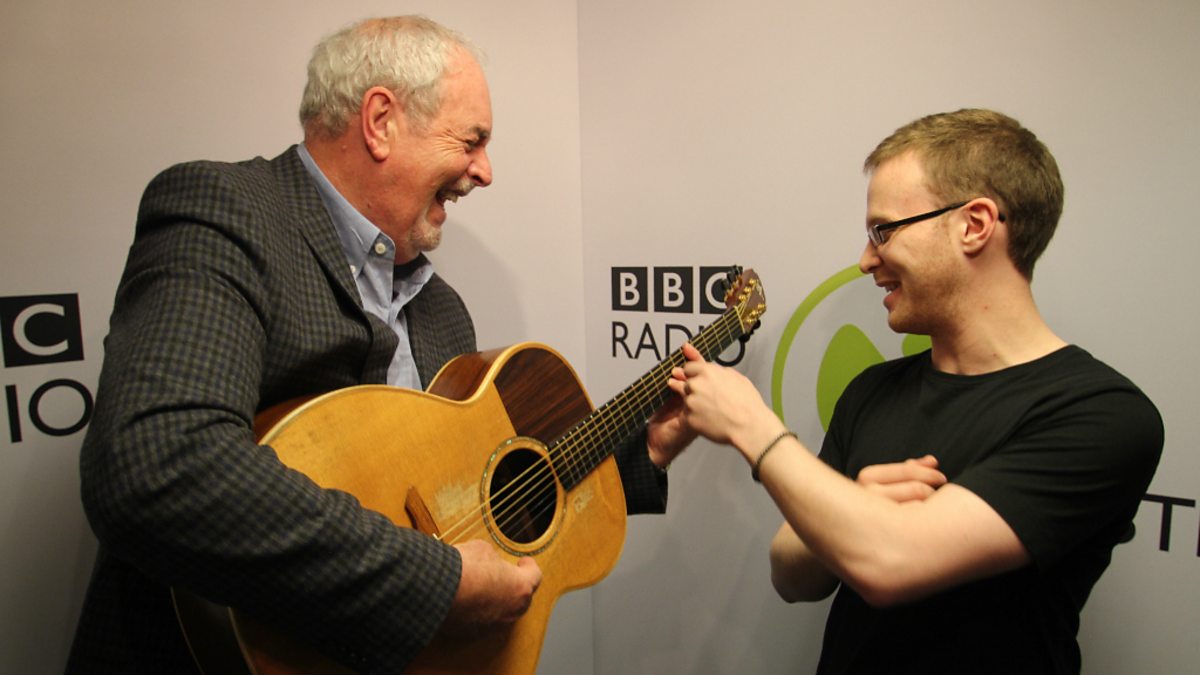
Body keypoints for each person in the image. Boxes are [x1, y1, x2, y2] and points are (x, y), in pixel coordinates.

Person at [68, 16, 690, 674]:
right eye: (472, 140)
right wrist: (441, 581)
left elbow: (468, 512)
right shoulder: (227, 213)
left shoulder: (442, 311)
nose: (485, 171)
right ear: (381, 120)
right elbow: (157, 463)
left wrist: (637, 457)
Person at [666, 109, 1163, 674]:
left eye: (884, 230)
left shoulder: (1101, 416)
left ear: (973, 225)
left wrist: (753, 428)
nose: (865, 260)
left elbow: (888, 562)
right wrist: (852, 503)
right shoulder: (873, 391)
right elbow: (789, 576)